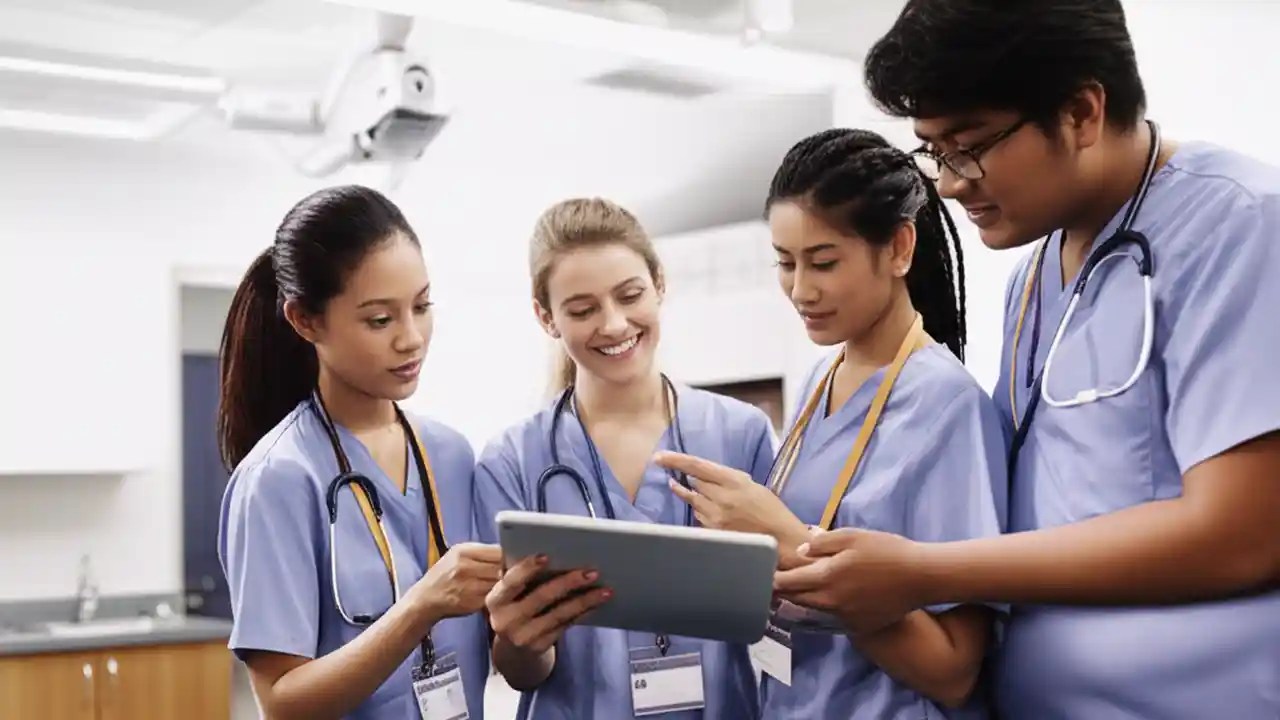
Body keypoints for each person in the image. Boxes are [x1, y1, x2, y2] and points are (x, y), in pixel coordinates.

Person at [768, 2, 1280, 719]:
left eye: (967, 145)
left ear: (1080, 112)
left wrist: (924, 572)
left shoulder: (1241, 225)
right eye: (931, 150)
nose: (947, 182)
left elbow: (1243, 533)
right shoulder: (1033, 279)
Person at [655, 128, 1008, 719]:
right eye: (785, 263)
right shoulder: (821, 381)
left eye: (823, 262)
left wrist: (787, 542)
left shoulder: (946, 406)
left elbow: (953, 671)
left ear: (898, 249)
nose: (800, 290)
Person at [472, 197, 777, 719]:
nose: (613, 325)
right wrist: (518, 639)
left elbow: (777, 622)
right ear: (546, 317)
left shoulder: (739, 434)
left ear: (659, 284)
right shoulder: (513, 460)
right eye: (582, 309)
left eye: (629, 295)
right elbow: (520, 670)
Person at [215, 185, 500, 720]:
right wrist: (420, 606)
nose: (412, 338)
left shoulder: (452, 454)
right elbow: (281, 702)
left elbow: (492, 646)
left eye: (422, 306)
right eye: (379, 320)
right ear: (306, 321)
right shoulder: (279, 478)